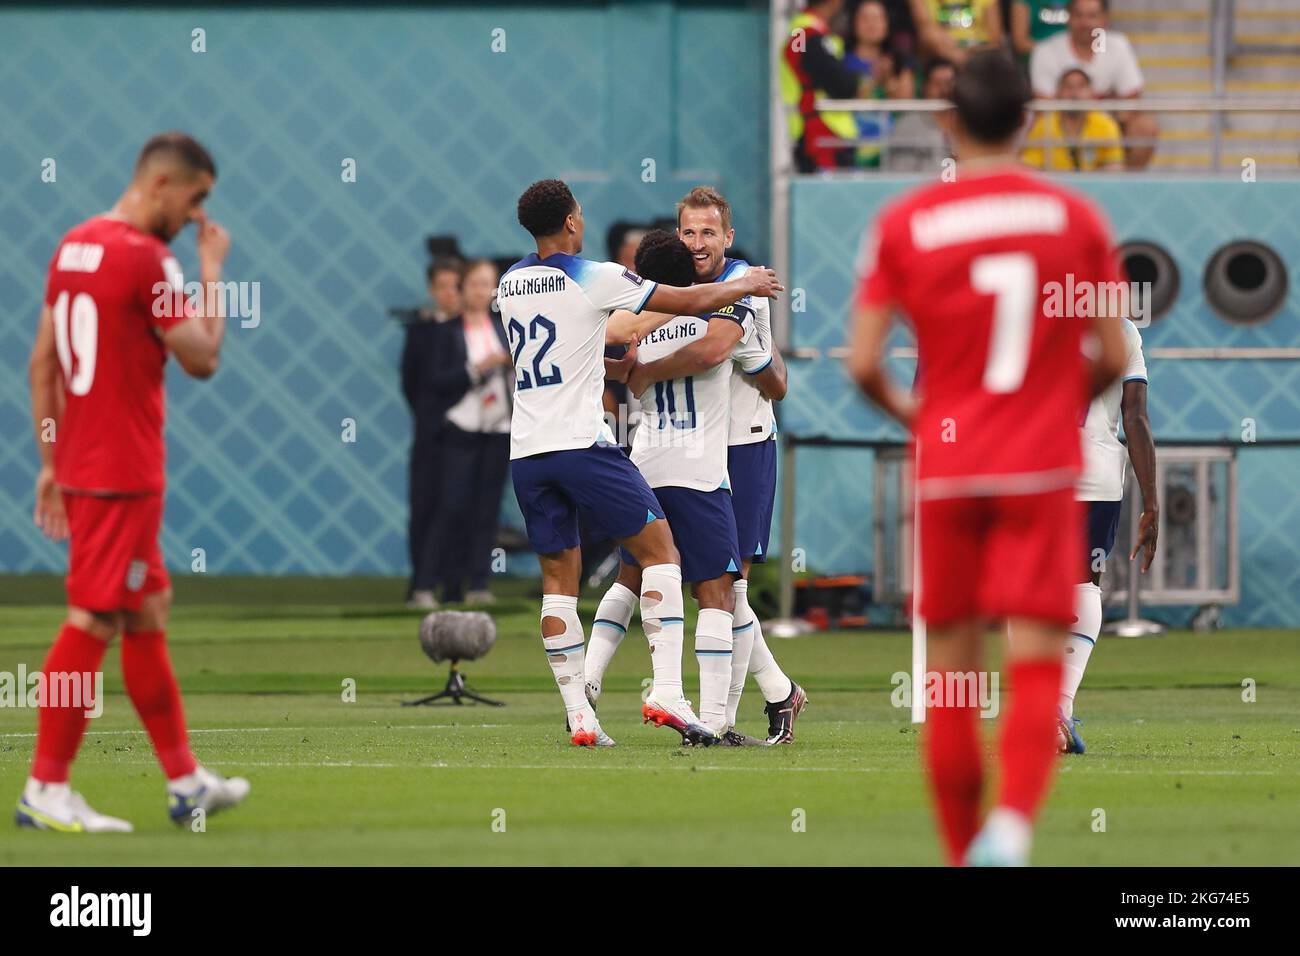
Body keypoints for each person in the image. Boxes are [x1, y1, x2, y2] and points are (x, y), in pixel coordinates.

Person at [845, 50, 1128, 866]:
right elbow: (1113, 351)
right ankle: (1010, 828)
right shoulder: (1074, 218)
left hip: (950, 471)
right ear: (1030, 120)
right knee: (1037, 656)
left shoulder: (903, 223)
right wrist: (1046, 398)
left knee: (953, 678)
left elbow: (862, 362)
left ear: (947, 120)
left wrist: (916, 413)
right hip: (1040, 468)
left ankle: (960, 850)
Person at [497, 179, 783, 748]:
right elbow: (688, 307)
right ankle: (674, 693)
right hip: (591, 445)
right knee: (671, 560)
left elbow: (610, 338)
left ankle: (582, 712)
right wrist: (744, 285)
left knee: (561, 582)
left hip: (527, 449)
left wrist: (640, 357)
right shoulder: (594, 276)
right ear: (573, 221)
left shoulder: (508, 284)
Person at [21, 132, 250, 832]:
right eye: (195, 198)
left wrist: (53, 462)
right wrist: (213, 271)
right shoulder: (150, 260)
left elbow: (43, 363)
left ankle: (185, 784)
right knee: (91, 618)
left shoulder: (73, 245)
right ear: (158, 184)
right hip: (122, 471)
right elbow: (203, 359)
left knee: (147, 608)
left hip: (88, 464)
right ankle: (45, 788)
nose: (195, 216)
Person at [1063, 317, 1157, 752]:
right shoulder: (1121, 330)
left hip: (1030, 469)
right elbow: (1134, 416)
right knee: (1084, 586)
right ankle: (1057, 709)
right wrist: (1151, 502)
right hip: (1095, 474)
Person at [425, 259, 513, 605]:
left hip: (499, 429)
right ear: (462, 288)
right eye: (475, 284)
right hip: (460, 429)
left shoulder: (505, 328)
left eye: (489, 284)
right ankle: (442, 585)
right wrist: (476, 369)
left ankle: (479, 584)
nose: (482, 291)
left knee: (487, 510)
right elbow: (436, 381)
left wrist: (509, 364)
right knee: (452, 507)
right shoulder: (447, 331)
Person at [1030, 0, 1156, 169]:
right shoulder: (1047, 50)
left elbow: (1131, 101)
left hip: (1107, 126)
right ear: (1069, 18)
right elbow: (1043, 108)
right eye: (1079, 15)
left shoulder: (1117, 45)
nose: (1085, 23)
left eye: (1092, 16)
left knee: (1145, 126)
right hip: (1061, 127)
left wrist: (1094, 118)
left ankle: (1127, 187)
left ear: (1105, 19)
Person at [404, 257, 462, 609]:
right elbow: (410, 383)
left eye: (456, 286)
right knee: (423, 508)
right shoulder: (419, 331)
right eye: (442, 287)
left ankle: (455, 586)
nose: (450, 294)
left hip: (467, 437)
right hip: (429, 435)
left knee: (457, 509)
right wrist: (430, 416)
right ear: (431, 290)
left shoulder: (472, 330)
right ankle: (420, 585)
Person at [781, 0, 873, 171]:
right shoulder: (806, 34)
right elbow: (842, 86)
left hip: (821, 135)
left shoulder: (805, 31)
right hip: (821, 136)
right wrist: (863, 80)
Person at [842, 0, 916, 167]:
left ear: (887, 24)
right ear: (853, 23)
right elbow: (845, 98)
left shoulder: (900, 61)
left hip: (891, 146)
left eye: (878, 18)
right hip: (850, 145)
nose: (872, 24)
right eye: (865, 18)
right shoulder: (841, 61)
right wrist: (874, 80)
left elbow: (905, 105)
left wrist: (888, 80)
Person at [1021, 68, 1125, 172]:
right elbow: (1029, 167)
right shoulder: (1043, 126)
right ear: (1058, 93)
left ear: (1091, 93)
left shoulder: (1106, 124)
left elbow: (1115, 166)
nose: (1074, 94)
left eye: (1081, 87)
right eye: (1068, 87)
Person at [885, 57, 956, 171]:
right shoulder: (907, 125)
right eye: (937, 84)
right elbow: (899, 173)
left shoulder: (969, 123)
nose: (944, 90)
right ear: (925, 87)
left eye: (948, 83)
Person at [909, 0, 1003, 66]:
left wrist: (974, 54)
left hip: (980, 54)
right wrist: (960, 57)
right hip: (941, 57)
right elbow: (926, 32)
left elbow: (995, 40)